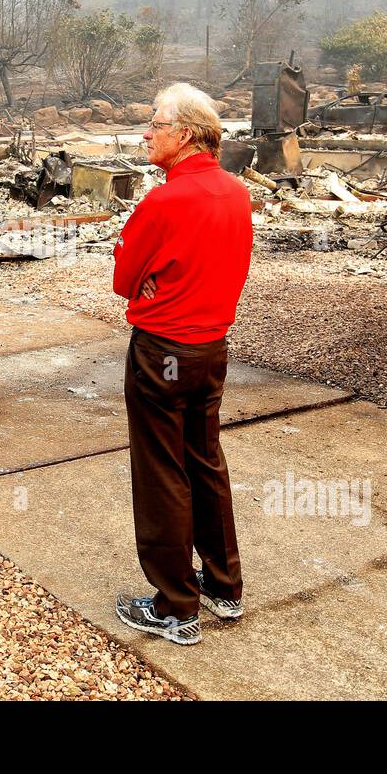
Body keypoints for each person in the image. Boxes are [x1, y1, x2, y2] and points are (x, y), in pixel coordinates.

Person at [111, 82, 254, 645]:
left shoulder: (163, 201)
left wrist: (151, 281)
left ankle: (175, 606)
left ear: (187, 135)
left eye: (156, 123)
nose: (147, 132)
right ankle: (224, 585)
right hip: (211, 349)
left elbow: (124, 280)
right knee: (204, 460)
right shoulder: (237, 194)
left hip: (162, 350)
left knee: (161, 472)